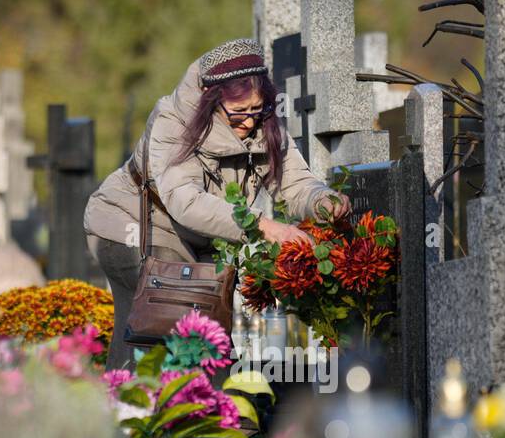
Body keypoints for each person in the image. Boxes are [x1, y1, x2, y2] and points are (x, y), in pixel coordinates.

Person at [84, 38, 350, 369]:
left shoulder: (264, 122)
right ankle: (139, 412)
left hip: (198, 238)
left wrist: (323, 201)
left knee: (207, 335)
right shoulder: (172, 121)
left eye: (258, 110)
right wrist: (263, 225)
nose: (251, 123)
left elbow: (294, 183)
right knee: (164, 334)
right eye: (239, 113)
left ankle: (217, 414)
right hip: (132, 227)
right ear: (211, 100)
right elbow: (185, 201)